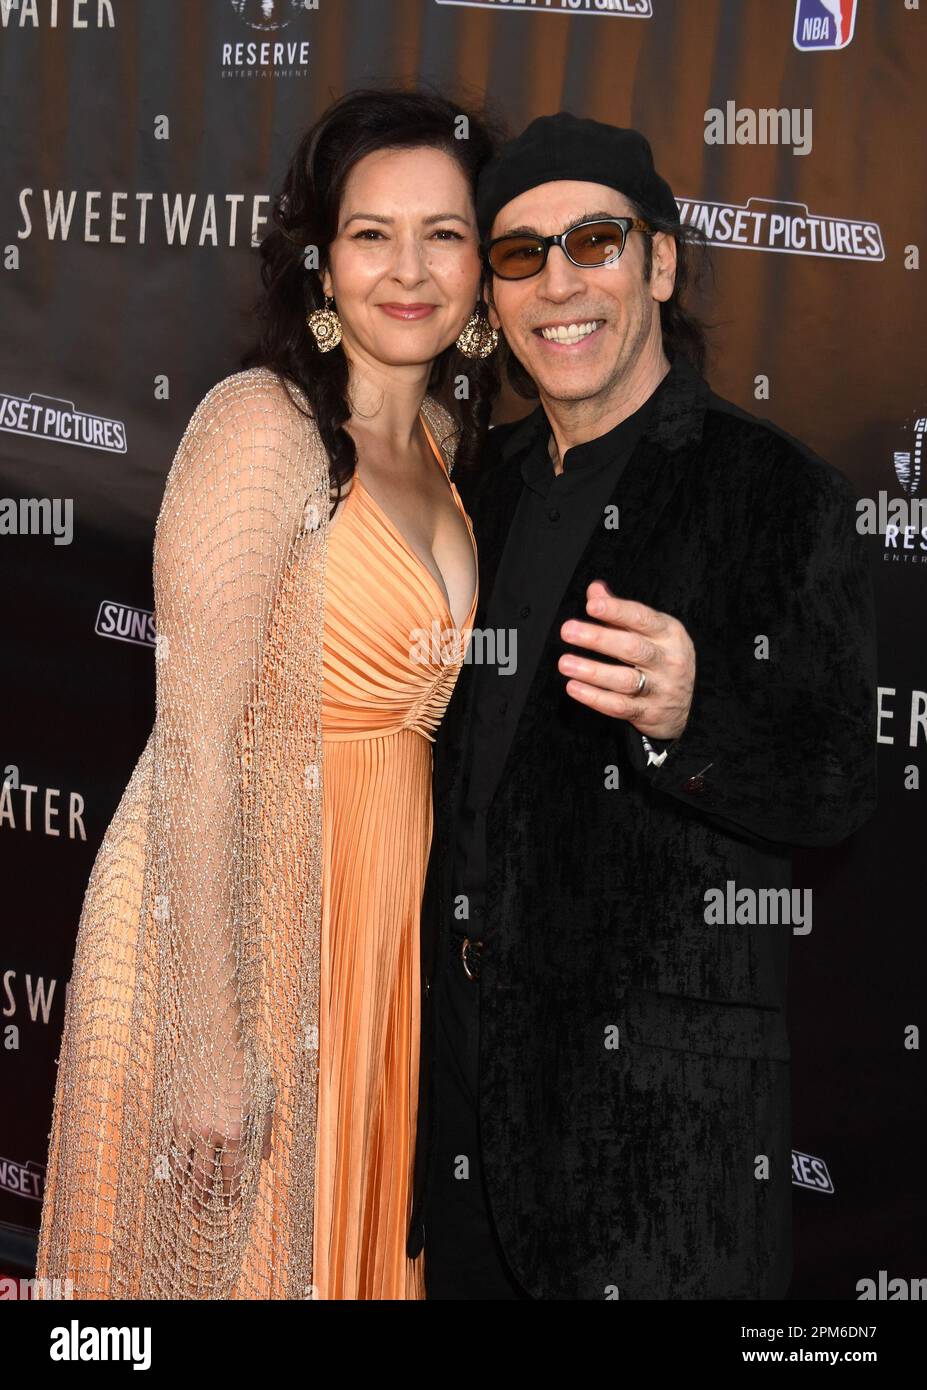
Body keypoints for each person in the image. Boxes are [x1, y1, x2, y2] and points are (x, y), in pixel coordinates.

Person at [35, 86, 500, 1300]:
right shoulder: (264, 427)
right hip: (233, 930)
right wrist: (207, 1041)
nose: (410, 269)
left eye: (444, 234)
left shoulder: (448, 441)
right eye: (370, 234)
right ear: (319, 261)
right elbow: (190, 746)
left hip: (372, 928)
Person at [409, 112, 878, 1300]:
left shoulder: (777, 493)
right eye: (520, 255)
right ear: (493, 298)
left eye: (596, 241)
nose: (558, 283)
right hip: (457, 1109)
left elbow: (838, 781)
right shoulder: (477, 490)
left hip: (654, 1149)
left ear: (661, 264)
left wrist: (692, 708)